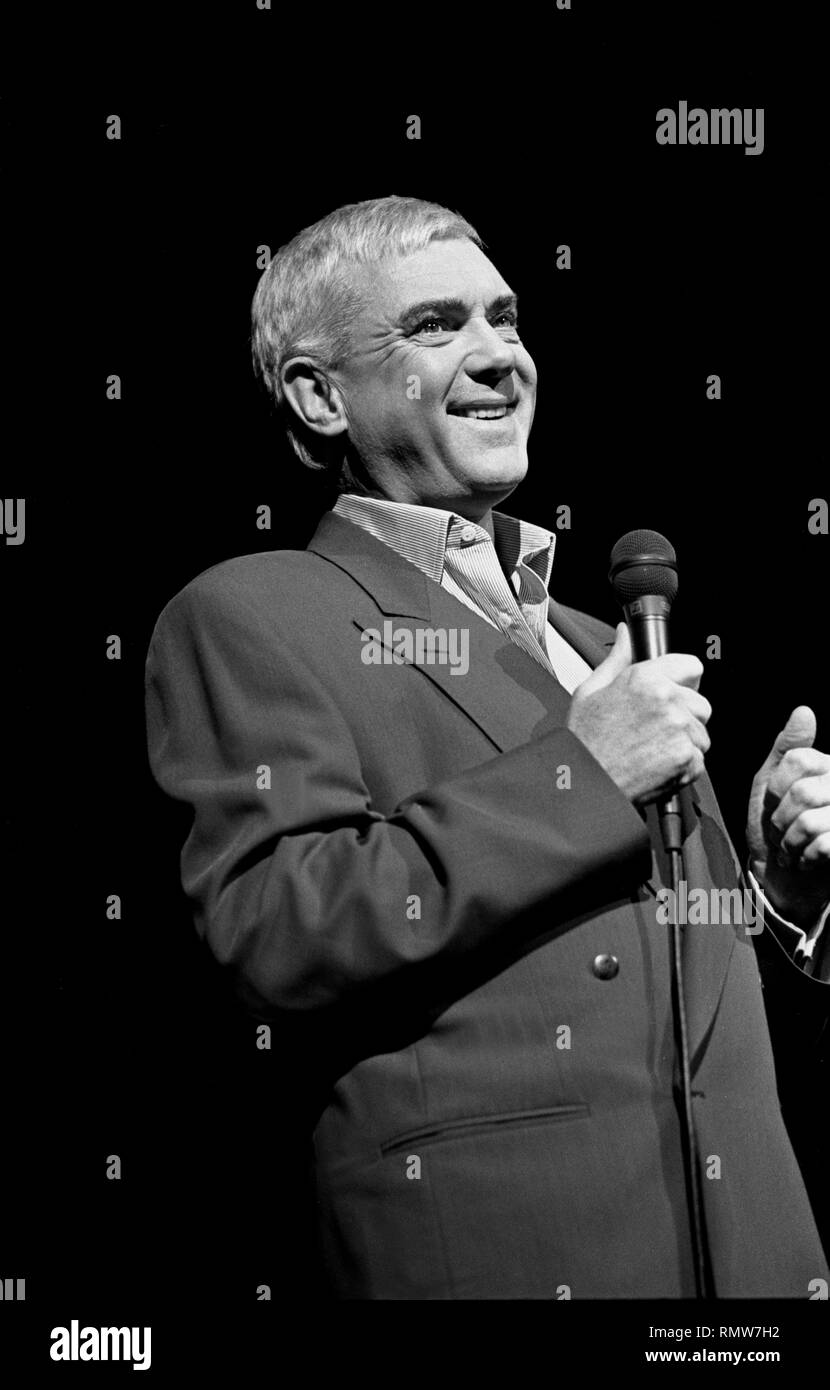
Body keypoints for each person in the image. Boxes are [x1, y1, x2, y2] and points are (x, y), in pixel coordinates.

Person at [144, 195, 830, 1299]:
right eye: (433, 326)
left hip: (745, 1270)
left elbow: (665, 994)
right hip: (506, 1256)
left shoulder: (598, 642)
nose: (498, 354)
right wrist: (580, 771)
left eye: (505, 318)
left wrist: (775, 896)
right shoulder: (254, 612)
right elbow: (274, 928)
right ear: (319, 396)